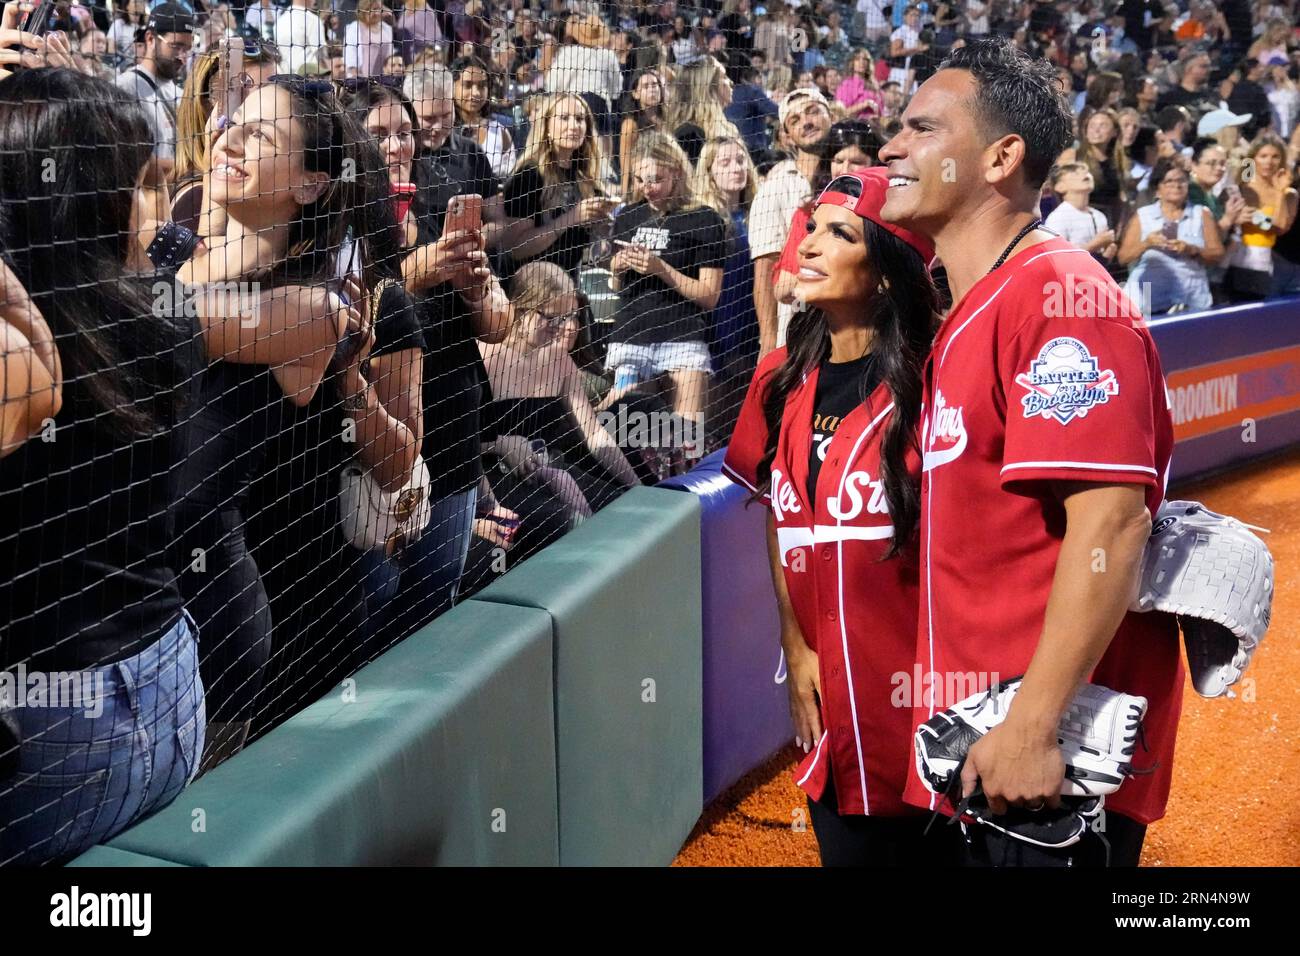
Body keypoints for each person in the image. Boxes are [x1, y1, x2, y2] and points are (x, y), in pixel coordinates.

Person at [879, 37, 1183, 867]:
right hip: (983, 741)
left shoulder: (1060, 294)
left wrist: (1033, 726)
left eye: (922, 129)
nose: (890, 147)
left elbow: (1112, 524)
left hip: (1043, 770)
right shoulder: (980, 306)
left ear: (1001, 156)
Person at [0, 67, 203, 867]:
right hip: (166, 684)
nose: (159, 210)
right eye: (144, 185)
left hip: (50, 732)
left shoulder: (29, 349)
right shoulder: (167, 316)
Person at [723, 168, 949, 865]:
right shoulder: (779, 376)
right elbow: (781, 516)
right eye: (812, 226)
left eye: (840, 233)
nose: (809, 246)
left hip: (930, 697)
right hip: (831, 696)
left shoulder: (941, 373)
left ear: (885, 275)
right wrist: (794, 648)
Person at [170, 75, 366, 766]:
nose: (231, 137)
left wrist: (223, 242)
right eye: (234, 122)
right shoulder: (173, 249)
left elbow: (139, 322)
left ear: (312, 184)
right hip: (110, 607)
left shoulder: (315, 309)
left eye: (262, 134)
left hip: (206, 627)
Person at [479, 261, 639, 525]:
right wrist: (501, 444)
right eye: (552, 317)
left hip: (552, 471)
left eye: (568, 317)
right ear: (522, 308)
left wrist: (636, 486)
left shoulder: (559, 359)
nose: (563, 327)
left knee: (623, 511)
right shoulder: (483, 357)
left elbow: (594, 435)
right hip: (495, 481)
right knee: (570, 521)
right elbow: (452, 442)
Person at [607, 133, 726, 446]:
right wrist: (617, 267)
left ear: (676, 171)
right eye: (640, 180)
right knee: (628, 440)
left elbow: (710, 295)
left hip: (682, 339)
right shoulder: (628, 216)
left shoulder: (703, 218)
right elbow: (616, 285)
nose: (648, 188)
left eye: (656, 179)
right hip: (631, 336)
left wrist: (661, 269)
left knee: (684, 442)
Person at [751, 87, 832, 357]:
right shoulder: (775, 187)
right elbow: (764, 272)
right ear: (786, 137)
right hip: (797, 327)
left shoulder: (851, 170)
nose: (806, 122)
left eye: (812, 111)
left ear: (830, 115)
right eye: (795, 120)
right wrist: (768, 343)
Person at [503, 92, 617, 279]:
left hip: (572, 286)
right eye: (564, 118)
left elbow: (592, 253)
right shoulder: (528, 174)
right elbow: (517, 248)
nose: (574, 126)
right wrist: (573, 217)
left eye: (580, 119)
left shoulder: (585, 177)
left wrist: (602, 228)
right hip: (532, 287)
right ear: (546, 126)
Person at [694, 134, 759, 432]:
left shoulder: (757, 213)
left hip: (751, 325)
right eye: (725, 162)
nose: (737, 168)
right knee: (711, 425)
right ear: (708, 172)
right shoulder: (703, 219)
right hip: (715, 330)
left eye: (741, 160)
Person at [1118, 157, 1223, 314]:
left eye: (1181, 180)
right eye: (1169, 181)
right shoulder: (1143, 215)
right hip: (1148, 300)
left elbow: (1218, 254)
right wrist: (1146, 244)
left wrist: (1192, 249)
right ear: (1158, 189)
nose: (1176, 185)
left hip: (1190, 298)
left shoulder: (1202, 214)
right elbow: (1123, 257)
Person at [115, 2, 194, 162]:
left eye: (187, 49)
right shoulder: (125, 87)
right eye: (176, 46)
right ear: (150, 39)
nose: (182, 57)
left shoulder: (180, 94)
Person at [1223, 133, 1297, 300]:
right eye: (1263, 156)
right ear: (1253, 158)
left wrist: (1279, 192)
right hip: (1233, 262)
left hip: (1263, 265)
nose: (1269, 162)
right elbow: (1268, 223)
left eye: (1275, 157)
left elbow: (1281, 227)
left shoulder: (1289, 194)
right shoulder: (1243, 188)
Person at [665, 57, 740, 166]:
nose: (731, 82)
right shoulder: (688, 134)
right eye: (724, 77)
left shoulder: (728, 127)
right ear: (708, 88)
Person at [452, 54, 516, 178]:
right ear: (452, 87)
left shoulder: (500, 132)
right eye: (467, 85)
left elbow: (511, 177)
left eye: (482, 86)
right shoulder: (443, 132)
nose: (476, 93)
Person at [1043, 163, 1118, 263]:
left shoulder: (1099, 216)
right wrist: (1094, 245)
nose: (1084, 173)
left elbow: (1101, 257)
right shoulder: (1058, 217)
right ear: (1060, 187)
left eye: (1086, 171)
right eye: (1075, 173)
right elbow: (1056, 258)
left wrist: (1107, 254)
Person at [619, 67, 666, 195]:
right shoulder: (630, 125)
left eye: (655, 85)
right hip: (641, 183)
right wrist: (625, 195)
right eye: (646, 86)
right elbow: (625, 165)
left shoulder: (667, 118)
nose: (652, 89)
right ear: (635, 94)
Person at [274, 0, 326, 75]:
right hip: (309, 79)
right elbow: (321, 56)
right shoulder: (312, 20)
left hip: (285, 79)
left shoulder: (279, 21)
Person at [344, 0, 393, 79]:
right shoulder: (354, 28)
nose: (377, 13)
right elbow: (350, 60)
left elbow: (390, 56)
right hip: (362, 81)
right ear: (364, 10)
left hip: (384, 80)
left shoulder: (387, 28)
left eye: (379, 9)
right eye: (374, 9)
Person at [835, 48, 884, 120]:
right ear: (852, 63)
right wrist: (866, 104)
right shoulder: (845, 85)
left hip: (874, 126)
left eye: (865, 59)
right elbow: (842, 113)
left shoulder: (875, 85)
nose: (862, 62)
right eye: (858, 59)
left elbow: (880, 111)